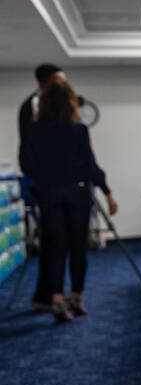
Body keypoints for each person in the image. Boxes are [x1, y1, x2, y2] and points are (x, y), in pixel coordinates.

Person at [23, 81, 117, 322]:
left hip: (49, 194)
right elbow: (90, 165)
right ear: (70, 102)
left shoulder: (33, 131)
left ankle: (56, 299)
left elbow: (27, 165)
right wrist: (107, 192)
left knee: (55, 248)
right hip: (77, 193)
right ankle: (76, 297)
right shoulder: (79, 130)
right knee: (77, 247)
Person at [18, 63, 66, 311]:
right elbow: (33, 148)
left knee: (55, 240)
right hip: (43, 182)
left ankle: (47, 294)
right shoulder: (35, 106)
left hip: (55, 181)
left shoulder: (49, 105)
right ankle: (45, 295)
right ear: (44, 82)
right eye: (59, 81)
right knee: (53, 240)